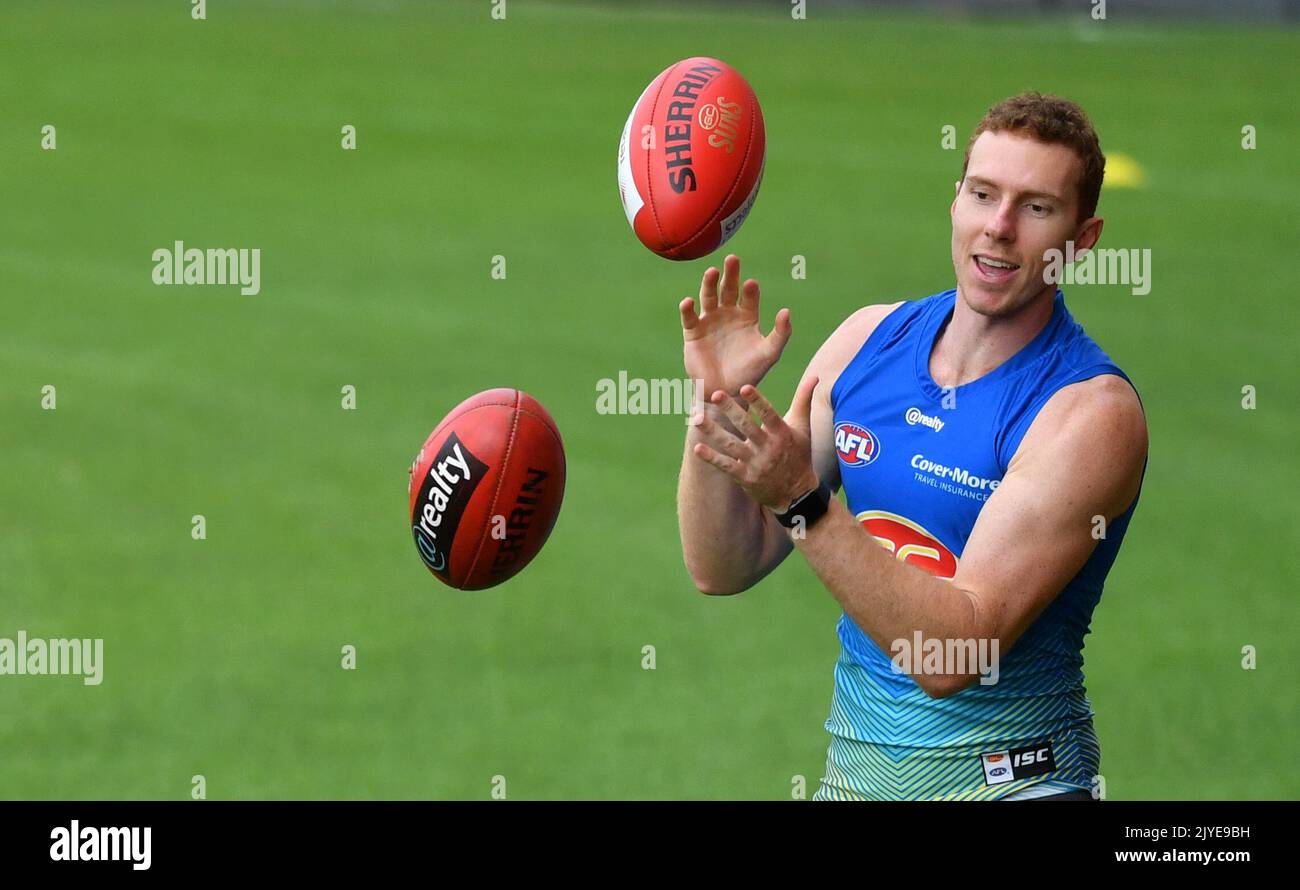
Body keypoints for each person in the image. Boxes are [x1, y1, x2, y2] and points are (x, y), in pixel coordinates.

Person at [676, 91, 1148, 800]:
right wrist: (715, 405)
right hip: (859, 780)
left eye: (1036, 208)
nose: (999, 228)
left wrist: (802, 501)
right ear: (954, 199)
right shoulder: (865, 344)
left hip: (1015, 783)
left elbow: (959, 651)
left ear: (1083, 240)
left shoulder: (1089, 413)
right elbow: (725, 563)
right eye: (983, 194)